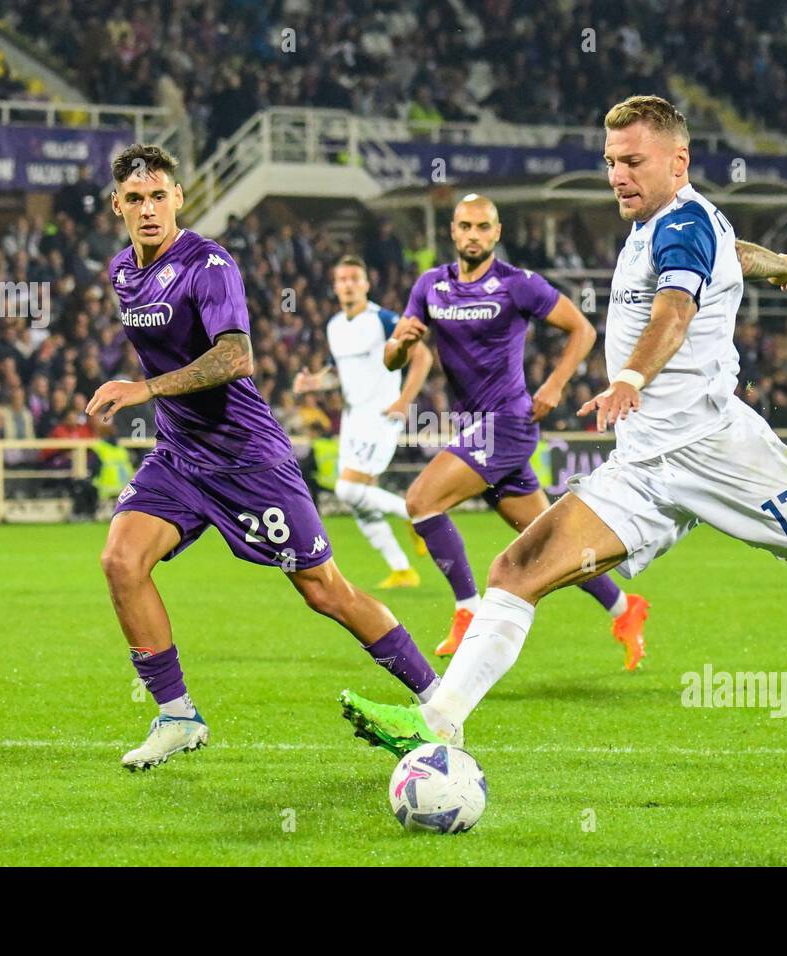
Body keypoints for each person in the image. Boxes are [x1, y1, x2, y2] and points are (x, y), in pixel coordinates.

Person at [337, 95, 787, 755]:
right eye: (610, 161)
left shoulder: (681, 228)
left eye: (632, 160)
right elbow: (726, 246)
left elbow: (674, 311)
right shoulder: (675, 222)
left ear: (678, 162)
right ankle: (440, 724)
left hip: (722, 454)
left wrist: (628, 379)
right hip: (646, 465)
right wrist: (776, 263)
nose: (616, 176)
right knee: (518, 567)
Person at [85, 144, 439, 771]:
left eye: (159, 196)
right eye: (135, 199)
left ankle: (438, 701)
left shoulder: (209, 265)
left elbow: (234, 357)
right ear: (117, 205)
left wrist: (143, 390)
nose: (147, 209)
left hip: (247, 458)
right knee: (120, 559)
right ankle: (176, 716)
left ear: (179, 199)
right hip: (180, 457)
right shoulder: (121, 271)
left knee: (324, 591)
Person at [385, 193, 651, 669]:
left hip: (507, 423)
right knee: (546, 543)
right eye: (465, 226)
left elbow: (582, 330)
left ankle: (467, 610)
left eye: (482, 227)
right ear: (452, 231)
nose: (473, 235)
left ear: (496, 233)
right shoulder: (430, 286)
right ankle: (623, 607)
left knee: (421, 501)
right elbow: (393, 358)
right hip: (472, 426)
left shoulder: (517, 285)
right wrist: (400, 346)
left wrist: (553, 384)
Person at [293, 254, 431, 588]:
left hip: (382, 415)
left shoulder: (383, 319)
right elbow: (338, 374)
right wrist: (314, 383)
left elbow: (423, 355)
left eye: (355, 278)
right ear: (335, 285)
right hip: (354, 418)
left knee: (348, 488)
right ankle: (402, 569)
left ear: (366, 284)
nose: (348, 285)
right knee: (358, 499)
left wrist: (403, 401)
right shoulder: (335, 326)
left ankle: (416, 514)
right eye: (342, 279)